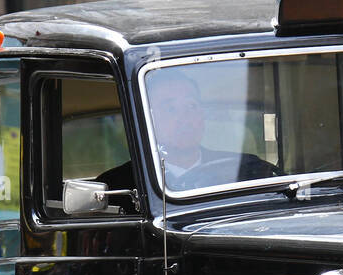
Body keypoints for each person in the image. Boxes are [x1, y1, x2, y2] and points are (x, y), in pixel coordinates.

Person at [97, 71, 277, 193]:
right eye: (170, 109)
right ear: (147, 119)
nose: (185, 118)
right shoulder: (116, 186)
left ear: (202, 114)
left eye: (192, 106)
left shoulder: (248, 170)